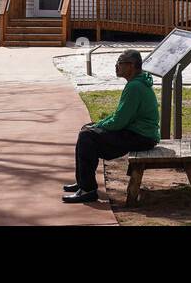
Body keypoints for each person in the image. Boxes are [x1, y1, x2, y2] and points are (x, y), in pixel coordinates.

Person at [63, 48, 160, 203]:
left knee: (87, 136)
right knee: (87, 129)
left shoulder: (135, 87)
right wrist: (98, 124)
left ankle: (88, 190)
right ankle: (83, 182)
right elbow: (120, 115)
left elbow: (120, 121)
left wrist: (99, 126)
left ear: (132, 65)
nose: (116, 66)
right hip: (138, 132)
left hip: (142, 136)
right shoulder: (136, 83)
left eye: (120, 63)